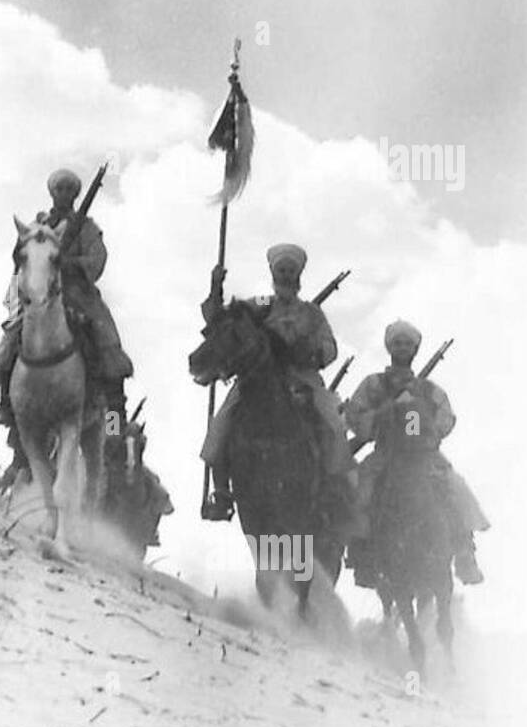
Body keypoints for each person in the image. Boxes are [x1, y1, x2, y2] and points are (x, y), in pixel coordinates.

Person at [200, 242, 355, 522]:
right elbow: (221, 321)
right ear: (273, 272)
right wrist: (215, 289)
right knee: (221, 422)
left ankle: (334, 490)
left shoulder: (311, 313)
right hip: (254, 379)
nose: (285, 274)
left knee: (332, 423)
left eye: (290, 270)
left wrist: (311, 352)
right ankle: (221, 491)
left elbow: (329, 347)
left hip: (302, 378)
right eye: (280, 269)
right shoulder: (261, 305)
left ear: (298, 275)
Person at [0, 168, 134, 456]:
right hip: (42, 293)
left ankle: (115, 424)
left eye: (70, 191)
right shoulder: (38, 225)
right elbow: (20, 254)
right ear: (52, 193)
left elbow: (97, 259)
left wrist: (72, 264)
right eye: (60, 190)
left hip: (79, 294)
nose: (65, 195)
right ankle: (6, 405)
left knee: (109, 348)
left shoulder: (88, 227)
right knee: (10, 342)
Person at [344, 320, 488, 586]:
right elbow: (355, 414)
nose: (402, 348)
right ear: (390, 347)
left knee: (454, 486)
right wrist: (381, 417)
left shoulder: (428, 389)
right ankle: (360, 556)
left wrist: (429, 430)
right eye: (397, 343)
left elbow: (447, 418)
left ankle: (465, 553)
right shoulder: (374, 385)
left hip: (424, 455)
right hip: (386, 454)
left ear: (414, 349)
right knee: (360, 490)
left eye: (407, 344)